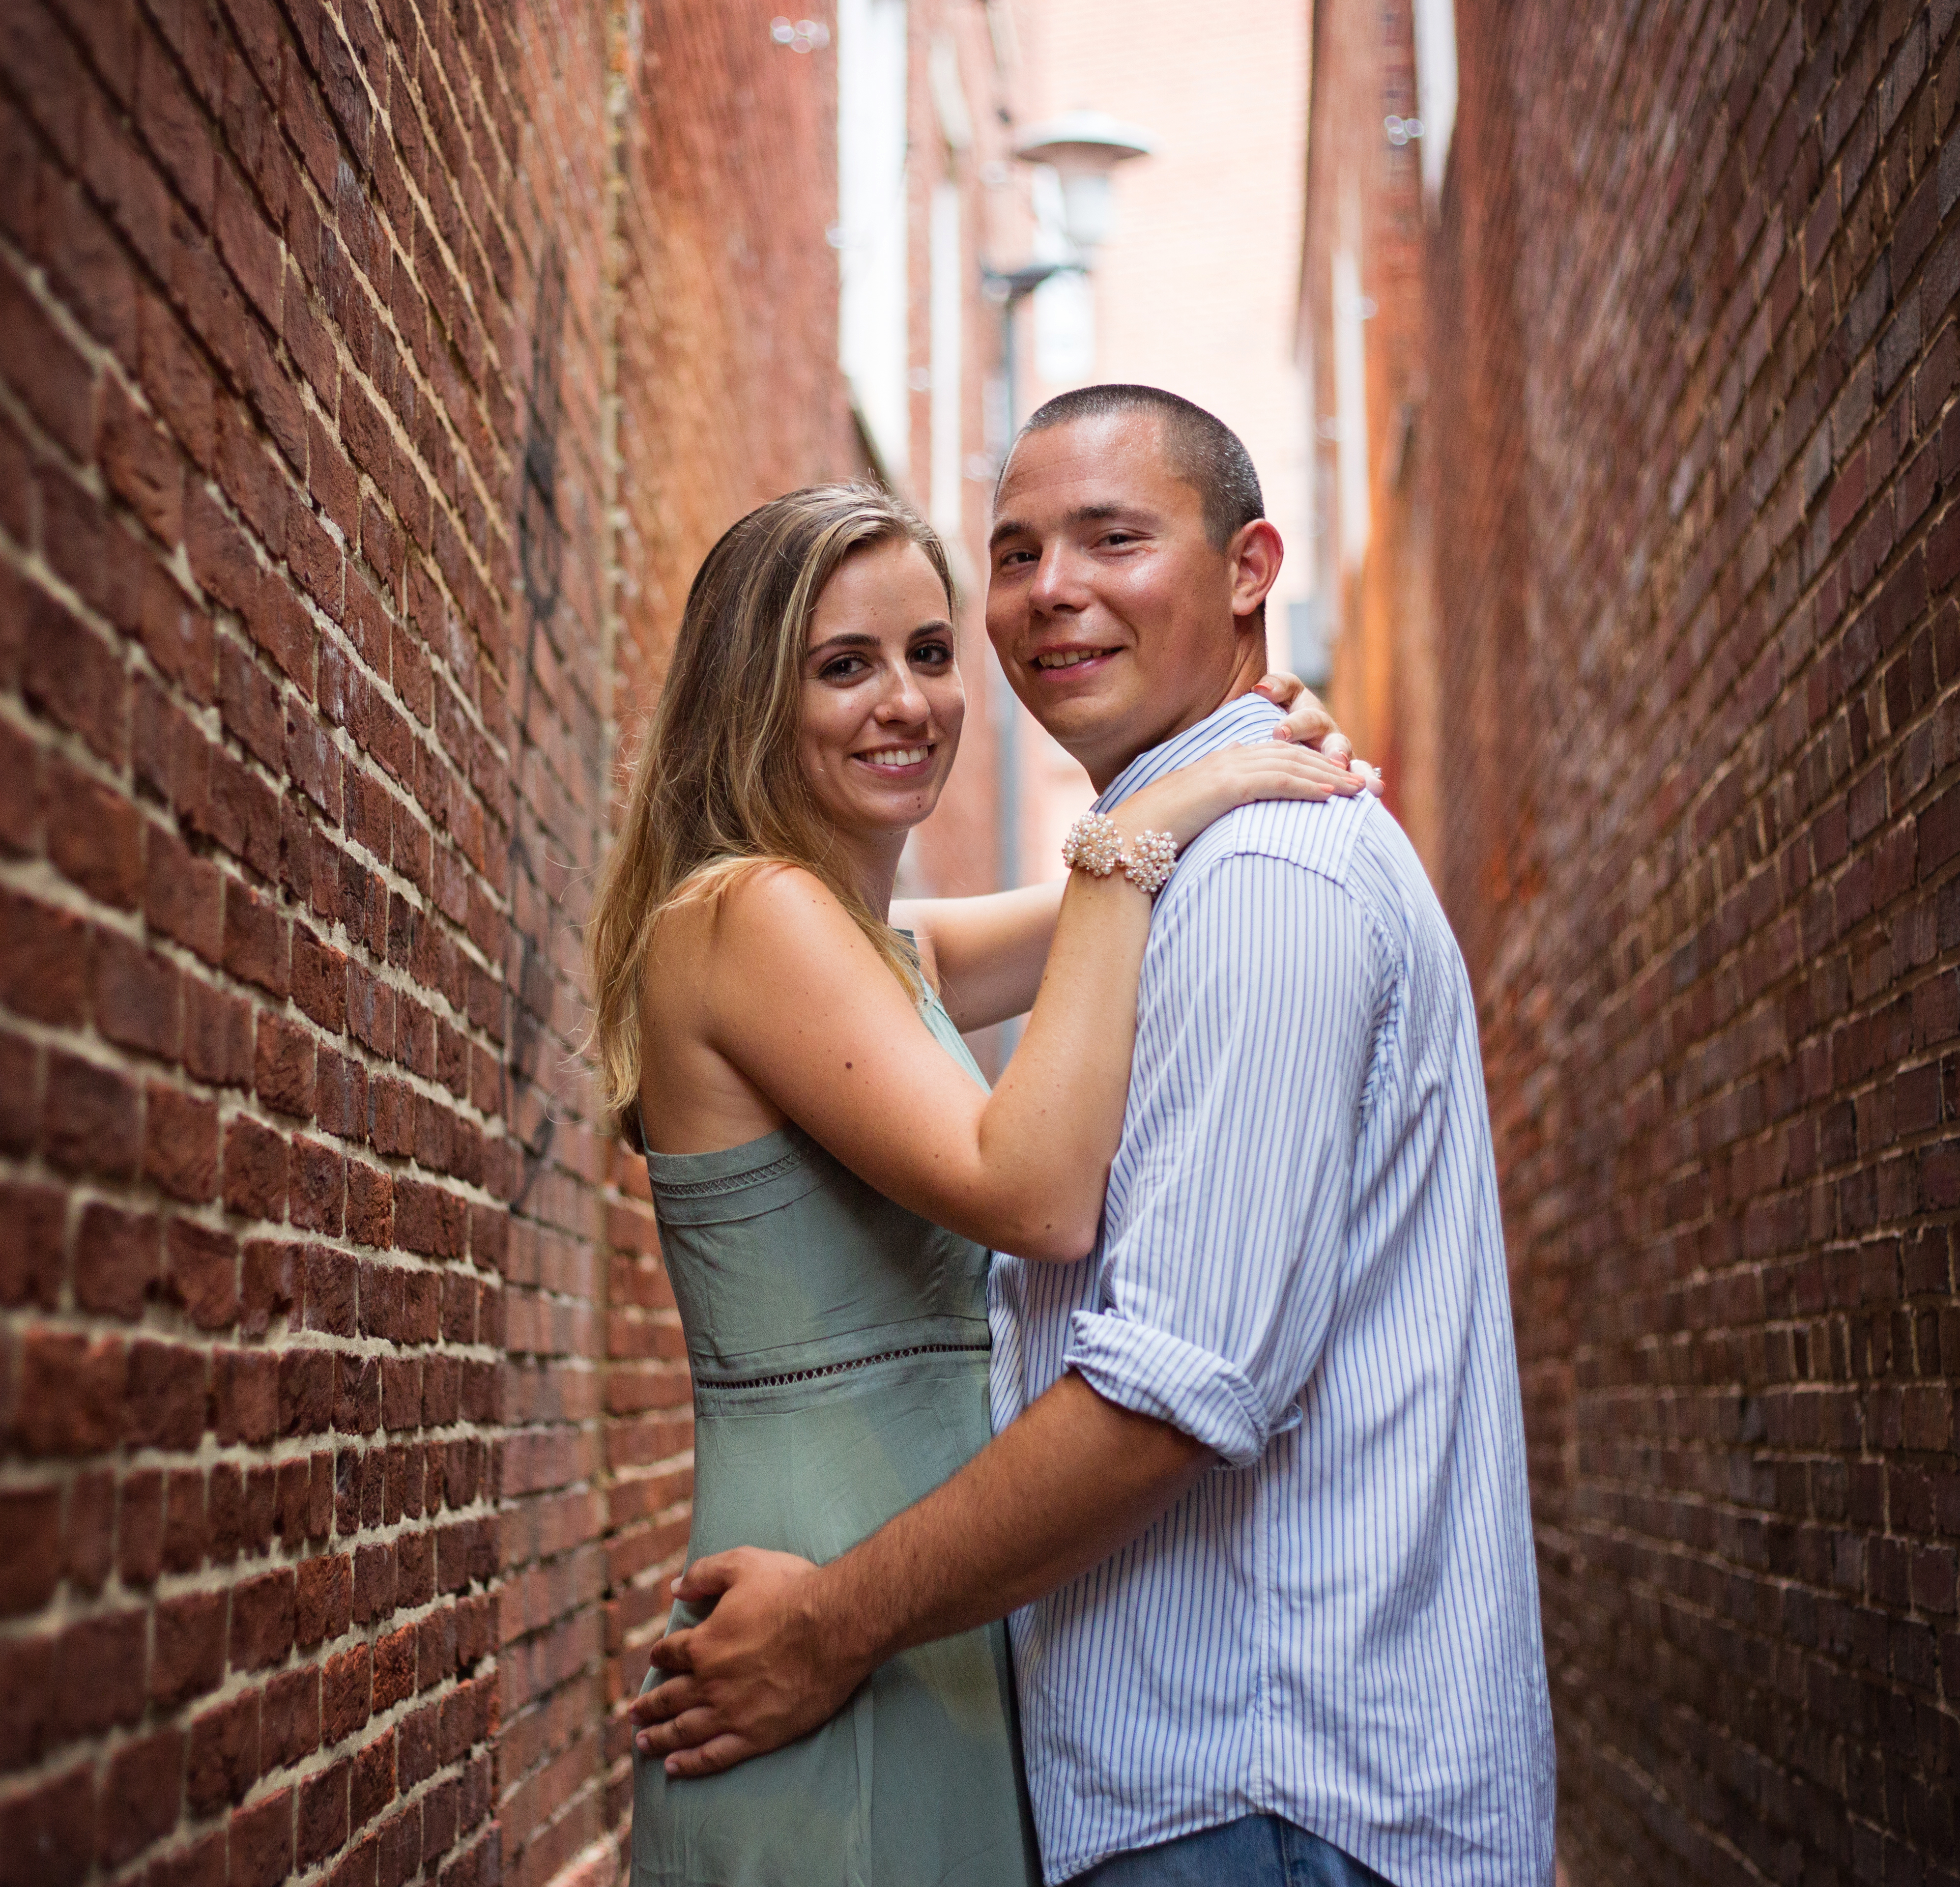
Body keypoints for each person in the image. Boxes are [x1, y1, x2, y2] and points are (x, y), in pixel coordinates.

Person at [627, 386, 1557, 1887]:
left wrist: (1213, 776)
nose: (911, 700)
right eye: (842, 666)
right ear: (752, 696)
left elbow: (1068, 932)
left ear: (1248, 567)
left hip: (1107, 1703)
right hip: (841, 1593)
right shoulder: (756, 921)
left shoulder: (971, 932)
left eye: (929, 653)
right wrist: (1163, 812)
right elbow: (1038, 1189)